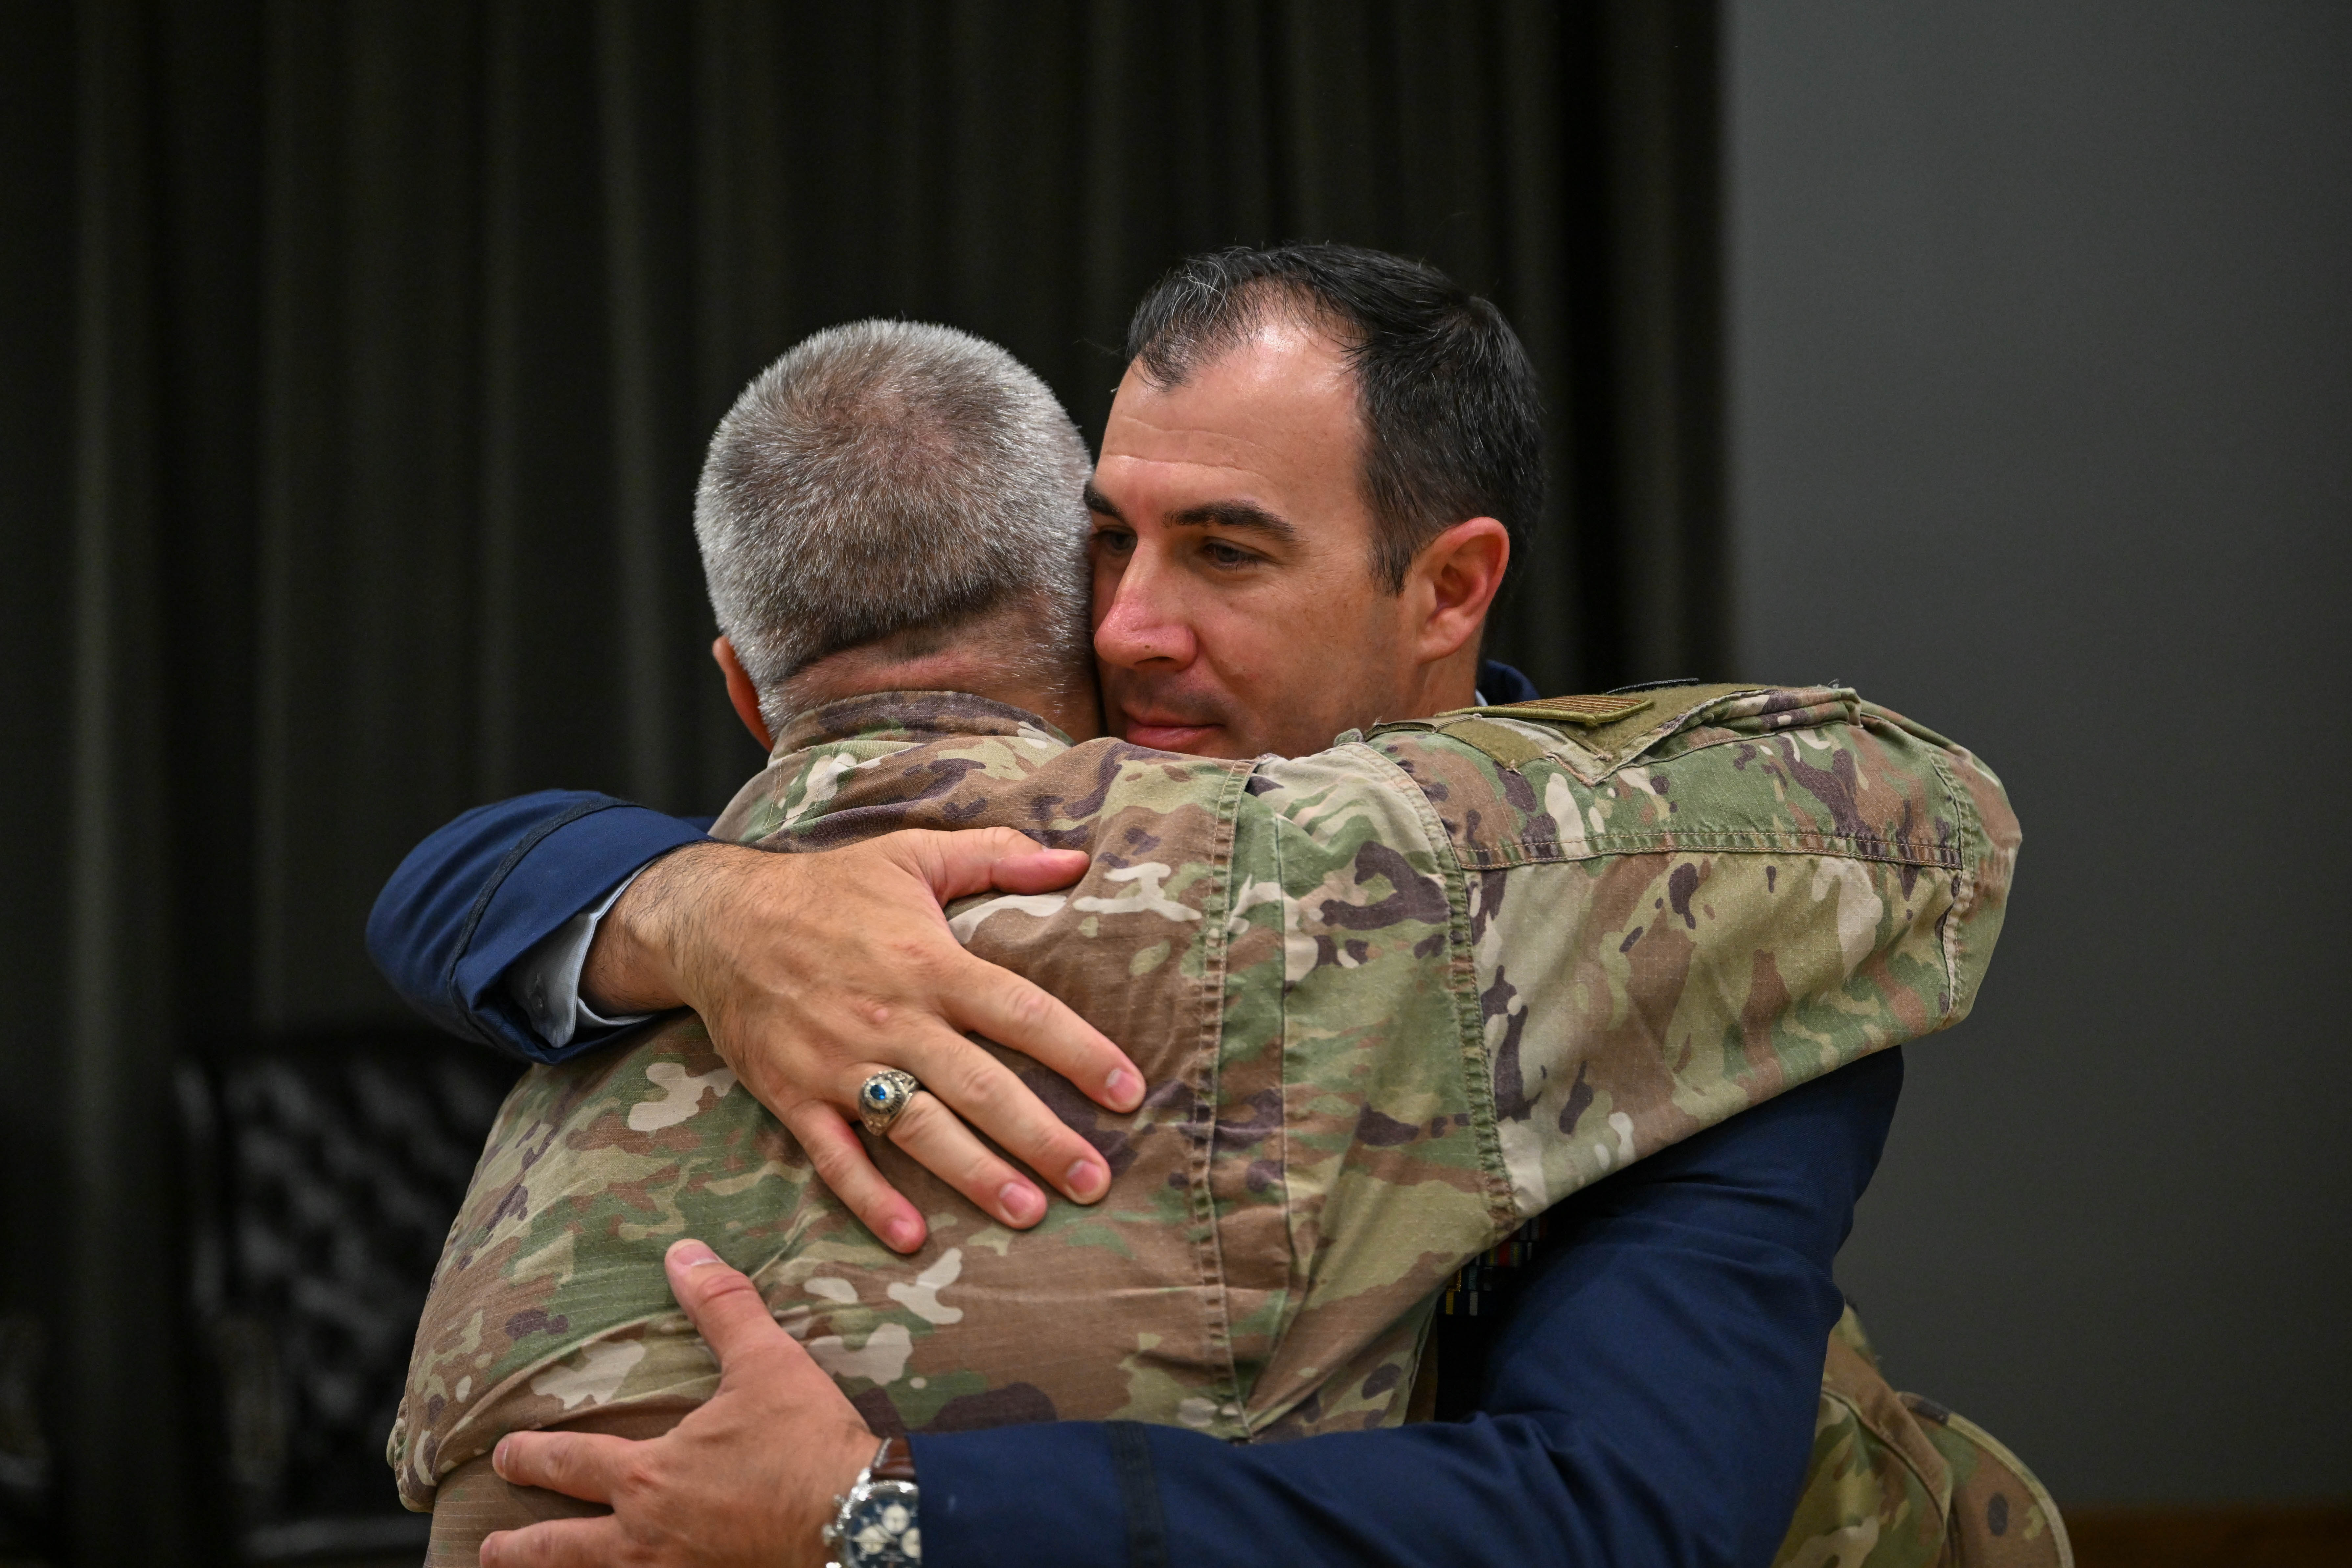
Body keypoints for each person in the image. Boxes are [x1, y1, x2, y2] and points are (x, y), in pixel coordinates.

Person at [372, 248, 2052, 1566]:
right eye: (1109, 542)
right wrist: (698, 913)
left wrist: (880, 1520)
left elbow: (1622, 1519)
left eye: (1228, 554)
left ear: (1449, 584)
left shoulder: (1674, 944)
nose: (1124, 631)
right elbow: (452, 881)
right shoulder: (1002, 851)